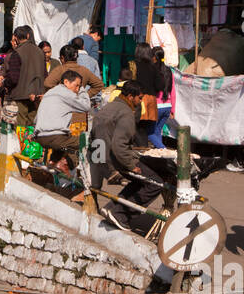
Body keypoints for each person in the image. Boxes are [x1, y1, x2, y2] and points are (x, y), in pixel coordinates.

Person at [91, 81, 160, 232]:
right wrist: (131, 166)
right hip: (113, 160)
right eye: (139, 98)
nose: (141, 101)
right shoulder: (127, 113)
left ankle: (112, 208)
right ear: (130, 96)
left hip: (100, 157)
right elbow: (119, 146)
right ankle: (120, 214)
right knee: (155, 183)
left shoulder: (108, 107)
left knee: (139, 182)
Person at [34, 69, 91, 173]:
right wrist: (83, 89)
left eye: (79, 86)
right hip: (54, 137)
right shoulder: (66, 93)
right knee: (90, 141)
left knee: (65, 138)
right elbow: (86, 106)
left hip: (40, 137)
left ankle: (53, 162)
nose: (77, 89)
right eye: (76, 85)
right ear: (66, 82)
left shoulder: (49, 93)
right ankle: (66, 164)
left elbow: (36, 119)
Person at [0, 26, 47, 128]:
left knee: (20, 127)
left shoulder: (16, 53)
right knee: (31, 126)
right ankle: (29, 144)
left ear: (16, 38)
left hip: (21, 96)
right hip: (37, 96)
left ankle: (20, 144)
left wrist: (4, 83)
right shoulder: (40, 52)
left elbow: (13, 78)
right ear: (28, 35)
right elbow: (45, 74)